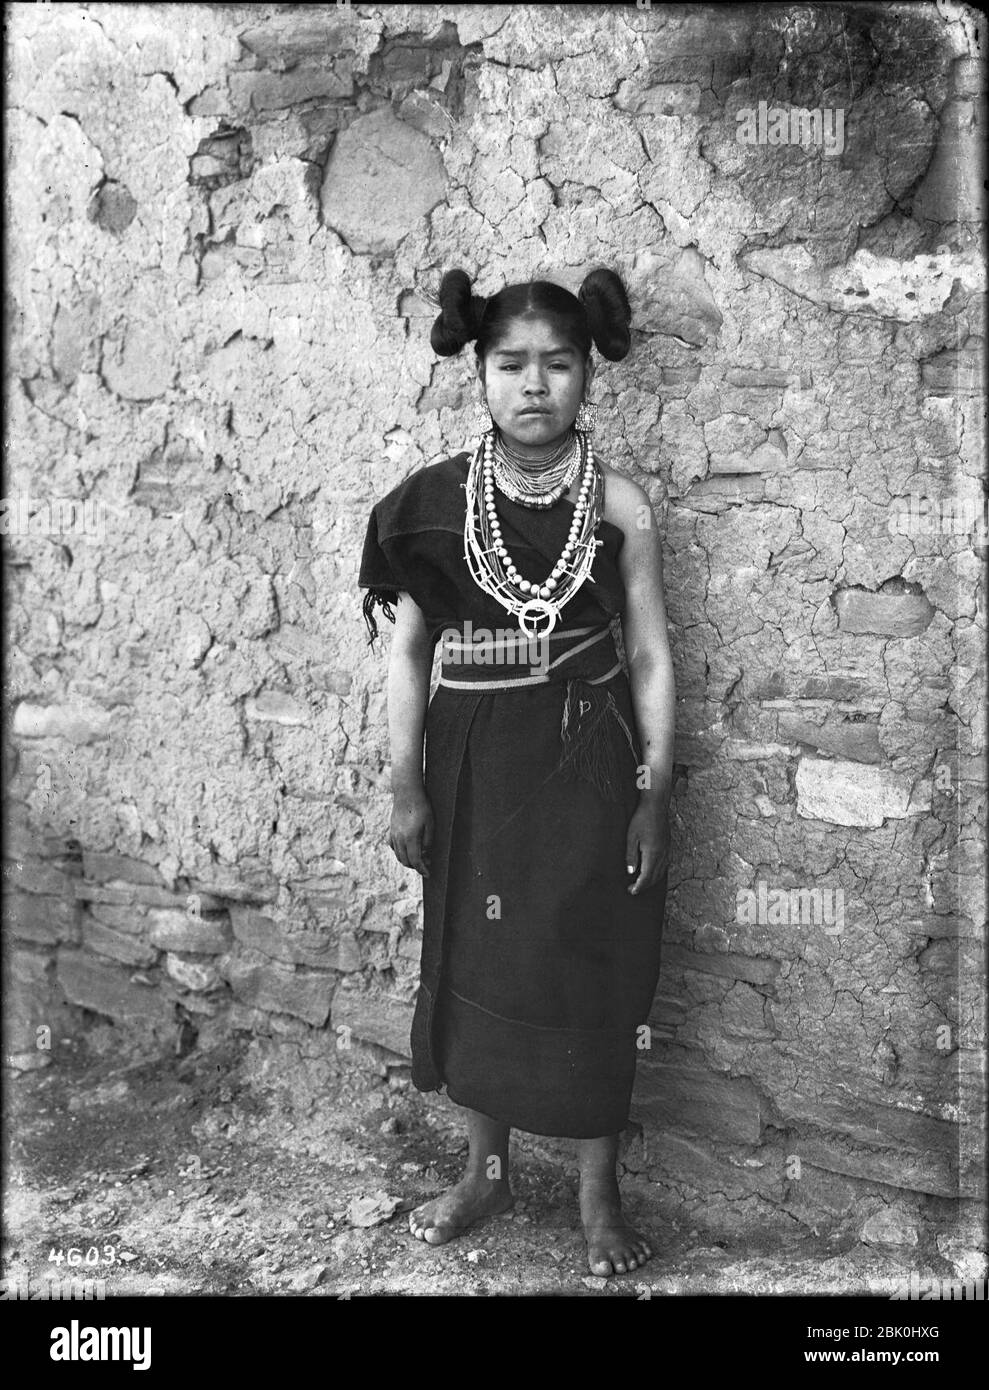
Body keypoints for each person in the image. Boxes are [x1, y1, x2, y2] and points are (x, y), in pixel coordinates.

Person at [358, 267, 675, 1278]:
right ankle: (483, 1169)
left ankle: (595, 1187)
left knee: (585, 953)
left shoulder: (618, 503)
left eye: (558, 364)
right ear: (478, 373)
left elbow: (653, 654)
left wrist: (652, 792)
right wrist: (405, 783)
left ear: (588, 376)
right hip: (473, 757)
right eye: (510, 364)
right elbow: (408, 653)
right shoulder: (430, 506)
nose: (534, 384)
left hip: (587, 749)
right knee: (477, 954)